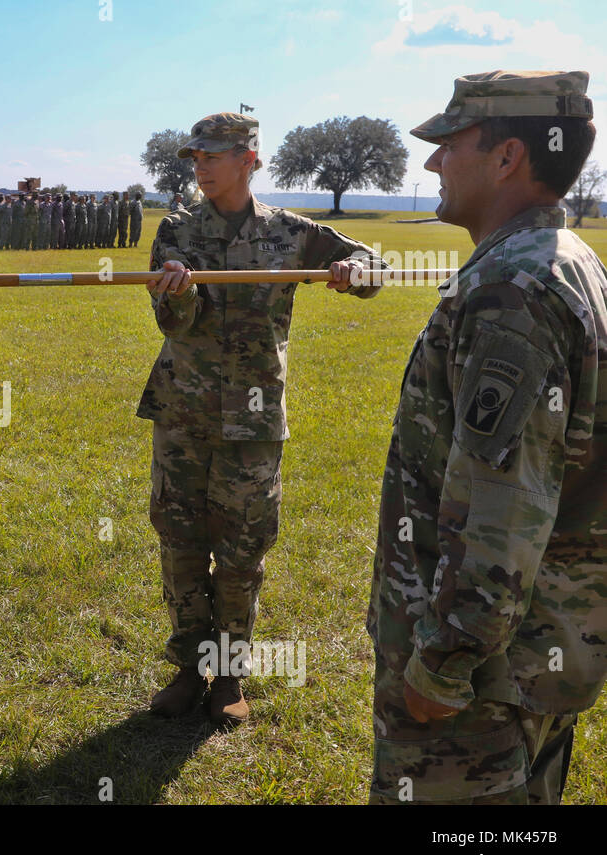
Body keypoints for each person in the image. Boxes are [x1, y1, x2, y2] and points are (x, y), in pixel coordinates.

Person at [366, 70, 604, 805]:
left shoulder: (515, 290)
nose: (433, 162)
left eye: (449, 143)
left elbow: (502, 506)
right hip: (537, 650)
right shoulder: (566, 260)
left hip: (484, 681)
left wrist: (446, 660)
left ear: (506, 158)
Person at [143, 112, 381, 725]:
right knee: (181, 542)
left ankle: (229, 672)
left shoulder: (290, 231)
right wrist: (179, 292)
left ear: (249, 158)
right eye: (195, 157)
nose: (201, 166)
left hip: (252, 419)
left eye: (213, 157)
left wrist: (356, 273)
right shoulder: (176, 230)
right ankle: (188, 666)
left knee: (243, 548)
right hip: (184, 412)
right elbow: (173, 323)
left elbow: (373, 265)